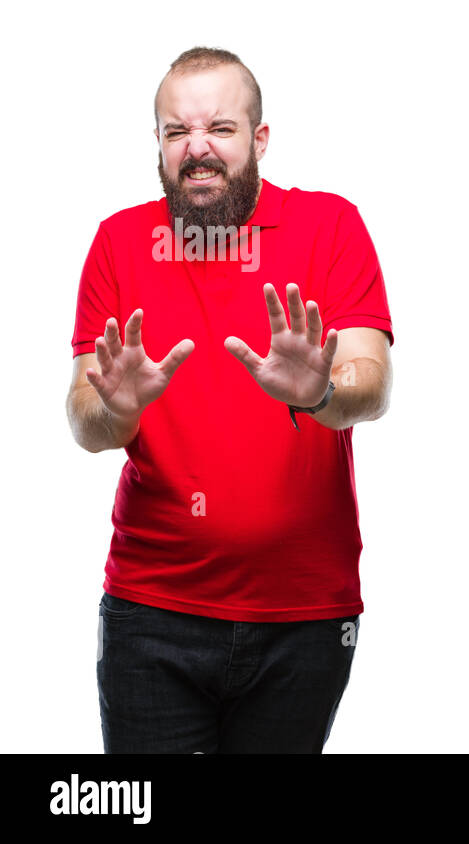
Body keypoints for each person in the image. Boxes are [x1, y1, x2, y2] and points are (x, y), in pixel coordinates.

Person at [67, 47, 394, 753]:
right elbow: (84, 421)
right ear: (158, 144)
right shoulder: (120, 243)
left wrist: (320, 393)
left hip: (304, 613)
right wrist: (116, 409)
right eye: (177, 132)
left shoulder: (329, 226)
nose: (198, 149)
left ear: (260, 139)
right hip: (152, 610)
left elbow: (371, 384)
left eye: (220, 127)